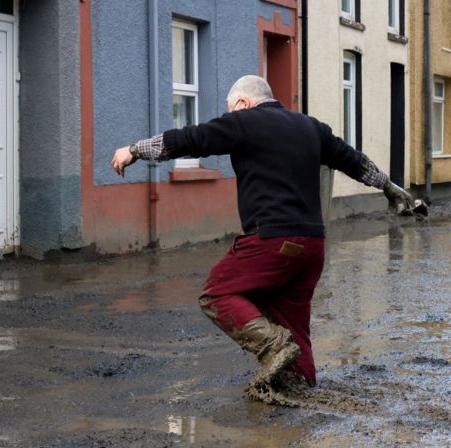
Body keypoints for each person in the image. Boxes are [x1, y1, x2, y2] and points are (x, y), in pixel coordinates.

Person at [110, 75, 415, 393]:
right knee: (293, 327)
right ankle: (301, 390)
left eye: (231, 110)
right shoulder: (311, 128)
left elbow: (190, 138)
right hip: (311, 247)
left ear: (243, 103)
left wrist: (135, 150)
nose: (230, 116)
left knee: (217, 293)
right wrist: (389, 186)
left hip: (271, 241)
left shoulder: (244, 122)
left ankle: (273, 348)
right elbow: (353, 160)